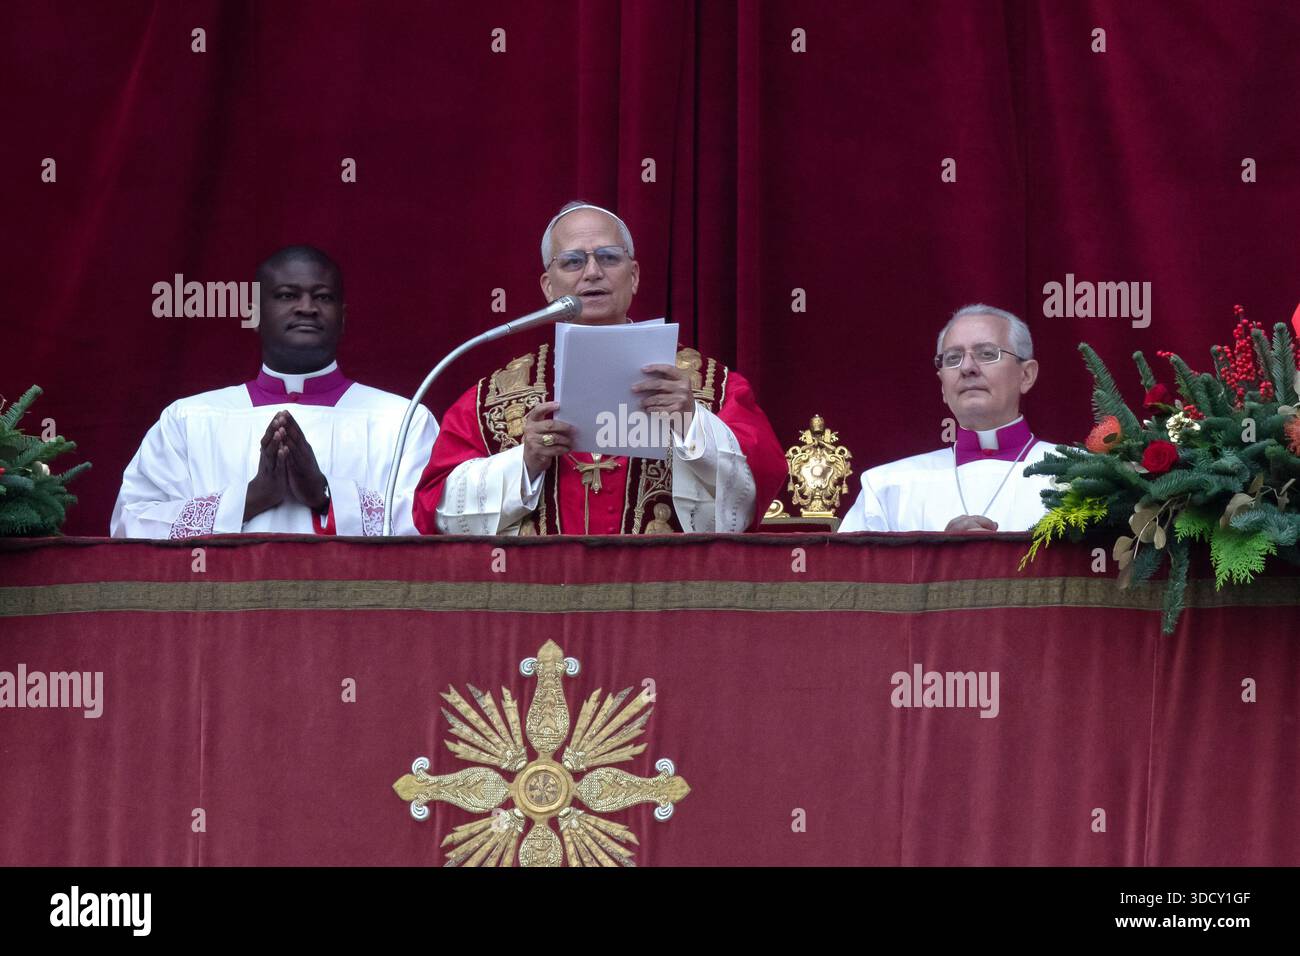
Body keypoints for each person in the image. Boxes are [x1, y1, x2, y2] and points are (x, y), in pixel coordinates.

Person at [414, 201, 785, 535]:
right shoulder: (494, 397)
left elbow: (758, 489)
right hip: (540, 606)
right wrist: (524, 464)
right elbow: (435, 510)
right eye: (573, 261)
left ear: (634, 275)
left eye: (608, 257)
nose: (592, 272)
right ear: (548, 285)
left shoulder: (708, 387)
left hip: (666, 602)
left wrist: (693, 424)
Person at [111, 245, 438, 538]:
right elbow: (132, 524)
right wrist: (250, 498)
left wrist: (325, 495)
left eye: (323, 296)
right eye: (287, 295)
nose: (306, 307)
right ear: (253, 313)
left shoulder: (403, 421)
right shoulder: (187, 420)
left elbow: (429, 525)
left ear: (344, 318)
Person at [839, 304, 1058, 532]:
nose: (967, 368)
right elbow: (850, 568)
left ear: (1026, 375)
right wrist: (939, 558)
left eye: (987, 354)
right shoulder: (888, 487)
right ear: (943, 385)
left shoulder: (1080, 479)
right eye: (953, 358)